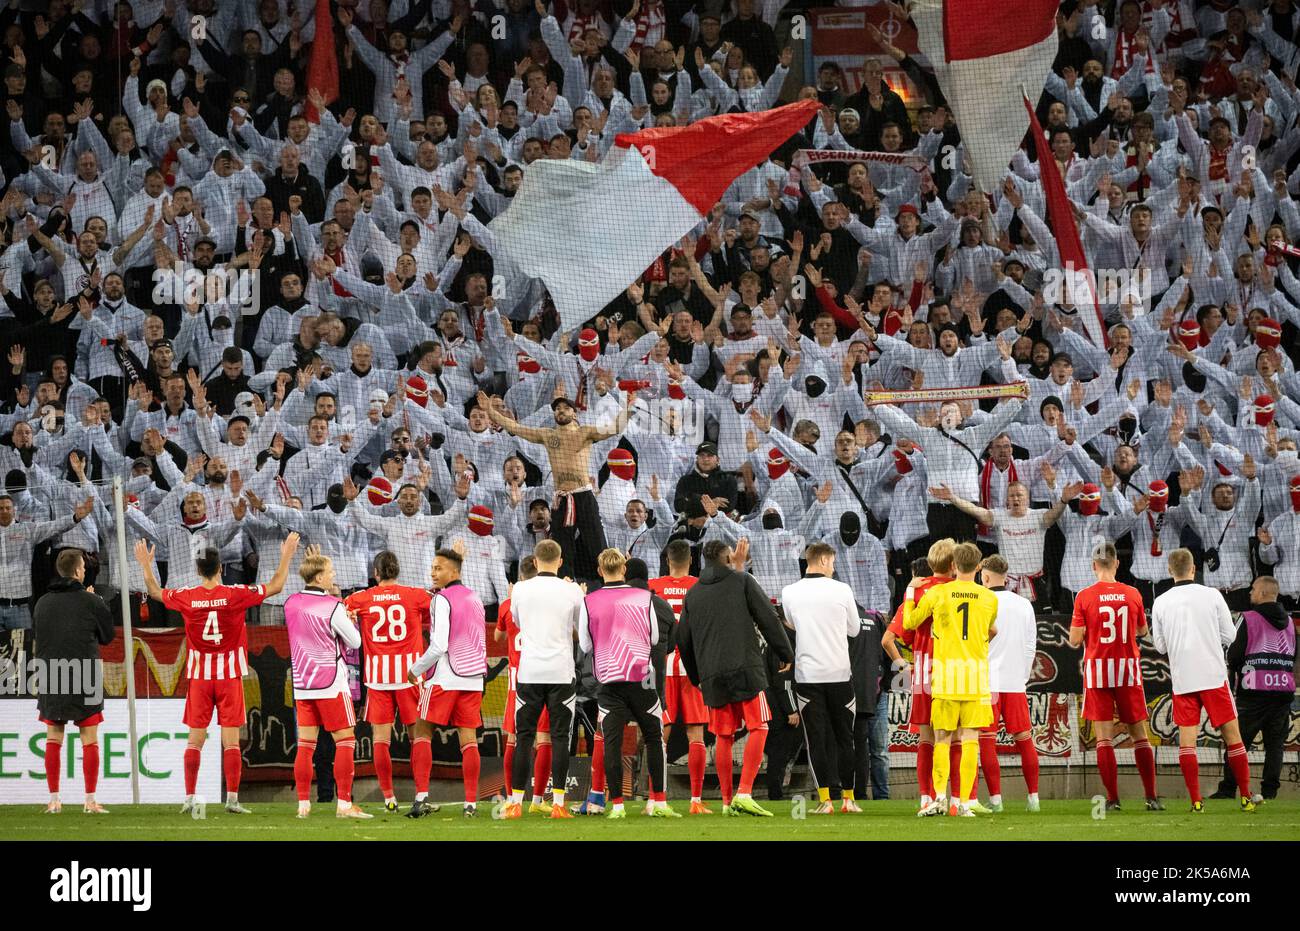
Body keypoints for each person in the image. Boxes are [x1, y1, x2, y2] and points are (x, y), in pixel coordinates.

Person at [134, 533, 300, 815]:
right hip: (228, 677)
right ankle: (232, 800)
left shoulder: (187, 597)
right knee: (231, 741)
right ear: (221, 568)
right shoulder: (234, 595)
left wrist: (146, 565)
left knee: (195, 740)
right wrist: (286, 555)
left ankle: (189, 798)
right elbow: (276, 586)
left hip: (200, 678)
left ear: (199, 571)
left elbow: (154, 592)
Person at [676, 538, 794, 817]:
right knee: (759, 727)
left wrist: (697, 677)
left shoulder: (692, 595)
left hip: (711, 676)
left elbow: (683, 640)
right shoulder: (742, 581)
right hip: (745, 669)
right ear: (728, 557)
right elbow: (768, 619)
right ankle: (744, 793)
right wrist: (785, 652)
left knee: (724, 737)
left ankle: (728, 802)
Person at [481, 390, 631, 583]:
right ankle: (564, 587)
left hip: (584, 496)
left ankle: (614, 583)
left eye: (566, 407)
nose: (561, 411)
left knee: (599, 546)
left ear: (574, 413)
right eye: (557, 408)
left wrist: (627, 408)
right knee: (562, 550)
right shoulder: (547, 435)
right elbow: (516, 428)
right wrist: (490, 411)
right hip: (561, 499)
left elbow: (614, 428)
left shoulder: (585, 432)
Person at [1151, 549, 1257, 813]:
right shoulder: (1212, 595)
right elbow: (1231, 635)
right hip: (1212, 676)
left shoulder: (1161, 601)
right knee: (1233, 738)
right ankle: (1245, 797)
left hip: (1183, 679)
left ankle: (1196, 801)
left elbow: (1161, 646)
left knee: (1187, 743)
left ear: (1169, 570)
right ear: (1194, 568)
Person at [579, 548, 677, 818]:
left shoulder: (590, 601)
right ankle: (658, 802)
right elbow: (656, 638)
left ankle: (618, 806)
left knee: (612, 743)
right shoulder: (645, 598)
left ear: (600, 571)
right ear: (623, 568)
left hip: (609, 679)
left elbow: (586, 644)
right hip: (641, 678)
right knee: (655, 738)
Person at [905, 541, 999, 818]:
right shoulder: (990, 599)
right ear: (979, 566)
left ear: (954, 565)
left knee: (942, 739)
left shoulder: (938, 593)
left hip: (946, 677)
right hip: (976, 677)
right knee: (971, 740)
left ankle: (940, 799)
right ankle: (964, 804)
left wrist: (911, 590)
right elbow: (990, 630)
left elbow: (910, 622)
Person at [1070, 541, 1162, 811]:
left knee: (1104, 738)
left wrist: (1089, 630)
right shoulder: (1132, 593)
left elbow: (1075, 640)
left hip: (1098, 672)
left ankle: (1112, 800)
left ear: (1093, 566)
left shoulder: (1084, 596)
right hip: (1127, 671)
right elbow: (1143, 632)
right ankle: (1152, 797)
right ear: (1117, 563)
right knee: (1140, 736)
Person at [343, 551, 434, 813]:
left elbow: (340, 611)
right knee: (419, 737)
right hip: (410, 677)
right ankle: (421, 795)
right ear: (397, 571)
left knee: (381, 740)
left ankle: (388, 797)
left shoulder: (361, 598)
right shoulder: (415, 595)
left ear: (376, 573)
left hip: (378, 679)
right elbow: (442, 608)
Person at [284, 549, 371, 820]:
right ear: (320, 577)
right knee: (345, 741)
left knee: (306, 746)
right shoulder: (333, 606)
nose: (334, 576)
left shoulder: (291, 603)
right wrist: (348, 624)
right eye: (331, 573)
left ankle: (302, 805)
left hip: (302, 683)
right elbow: (355, 642)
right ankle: (344, 804)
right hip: (331, 683)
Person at [502, 540, 585, 820]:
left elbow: (517, 622)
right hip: (561, 671)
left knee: (524, 738)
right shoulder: (572, 590)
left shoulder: (521, 589)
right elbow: (580, 631)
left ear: (535, 562)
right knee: (561, 737)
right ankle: (559, 803)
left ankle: (515, 802)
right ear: (560, 561)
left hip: (529, 671)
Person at [780, 541, 861, 814]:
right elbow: (854, 630)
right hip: (839, 673)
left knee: (815, 738)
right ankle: (849, 799)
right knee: (845, 738)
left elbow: (790, 623)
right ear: (825, 560)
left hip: (808, 675)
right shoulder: (842, 589)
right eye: (833, 562)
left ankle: (825, 800)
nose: (834, 567)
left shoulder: (789, 592)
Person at [408, 546, 488, 817]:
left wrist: (416, 669)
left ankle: (420, 800)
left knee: (421, 731)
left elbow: (439, 644)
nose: (433, 572)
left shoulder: (441, 600)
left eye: (438, 568)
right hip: (473, 677)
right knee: (469, 741)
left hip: (445, 677)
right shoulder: (475, 597)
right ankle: (470, 805)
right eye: (432, 568)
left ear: (453, 571)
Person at [33, 549, 115, 815]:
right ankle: (90, 801)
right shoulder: (92, 601)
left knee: (53, 737)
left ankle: (54, 800)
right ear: (79, 571)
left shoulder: (42, 602)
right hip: (85, 674)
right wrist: (95, 601)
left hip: (51, 672)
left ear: (59, 571)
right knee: (89, 739)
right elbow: (107, 637)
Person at [882, 539, 957, 810]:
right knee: (956, 739)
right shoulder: (964, 591)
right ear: (954, 564)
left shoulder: (917, 591)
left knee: (926, 738)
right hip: (956, 670)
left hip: (924, 671)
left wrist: (903, 665)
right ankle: (956, 800)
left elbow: (888, 639)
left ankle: (926, 798)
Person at [1211, 576, 1296, 802]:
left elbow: (1234, 654)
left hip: (1253, 691)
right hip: (1282, 692)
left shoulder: (1248, 618)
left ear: (1264, 593)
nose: (1250, 593)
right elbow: (1293, 654)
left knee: (1237, 741)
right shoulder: (1289, 622)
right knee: (1275, 746)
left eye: (1254, 589)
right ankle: (1269, 792)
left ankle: (1228, 788)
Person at [648, 538, 710, 813]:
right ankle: (696, 801)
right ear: (691, 561)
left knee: (659, 733)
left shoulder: (653, 587)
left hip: (659, 666)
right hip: (691, 666)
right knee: (696, 733)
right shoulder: (700, 586)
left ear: (667, 561)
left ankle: (653, 799)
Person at [977, 554, 1041, 813]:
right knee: (1025, 739)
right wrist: (1022, 676)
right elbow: (1030, 645)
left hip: (987, 682)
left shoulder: (982, 600)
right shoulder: (1024, 604)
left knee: (986, 740)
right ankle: (1034, 799)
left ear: (987, 576)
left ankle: (996, 801)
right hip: (1015, 682)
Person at [495, 556, 557, 812]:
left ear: (520, 577)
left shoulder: (509, 604)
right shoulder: (550, 602)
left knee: (513, 738)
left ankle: (512, 798)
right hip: (544, 675)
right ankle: (538, 800)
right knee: (544, 739)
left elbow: (498, 636)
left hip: (516, 681)